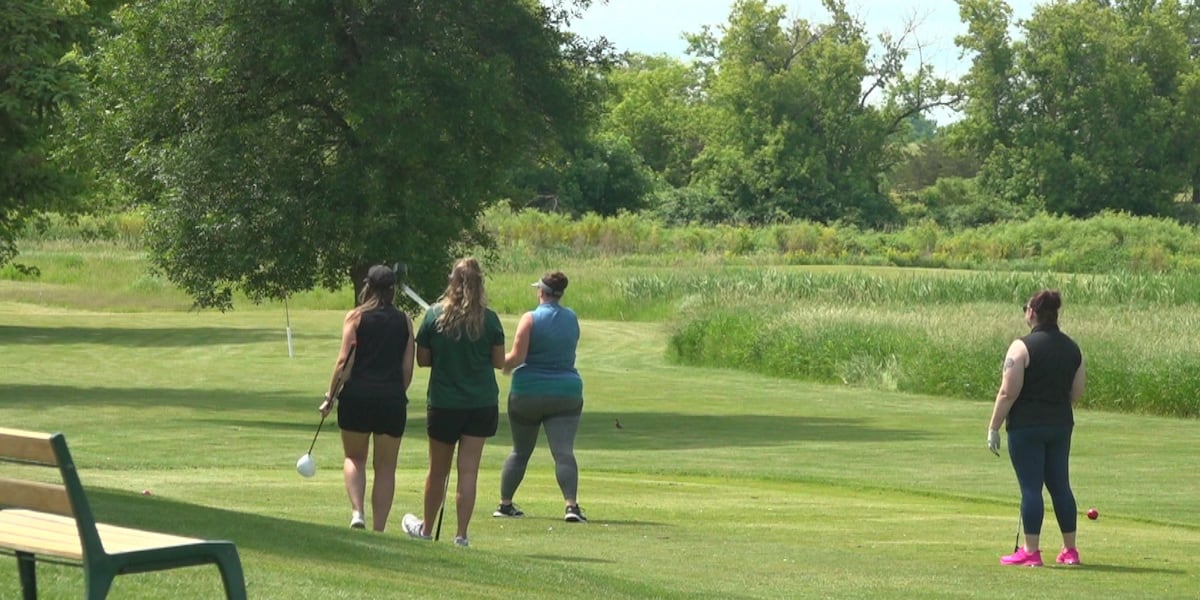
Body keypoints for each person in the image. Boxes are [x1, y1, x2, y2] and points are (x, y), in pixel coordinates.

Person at [402, 257, 505, 547]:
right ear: (480, 283)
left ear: (452, 281)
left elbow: (423, 360)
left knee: (437, 470)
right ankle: (461, 535)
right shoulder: (490, 319)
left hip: (445, 403)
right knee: (468, 470)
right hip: (480, 403)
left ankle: (426, 530)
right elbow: (499, 362)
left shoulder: (435, 316)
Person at [987, 289, 1086, 566]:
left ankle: (1031, 551)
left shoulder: (1021, 347)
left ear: (1032, 313)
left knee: (1031, 488)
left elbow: (1008, 392)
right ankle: (1070, 550)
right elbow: (1076, 393)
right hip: (1060, 425)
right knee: (1060, 486)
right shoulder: (1072, 348)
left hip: (1026, 427)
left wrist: (993, 426)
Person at [319, 264, 415, 532]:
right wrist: (396, 392)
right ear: (393, 290)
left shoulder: (355, 318)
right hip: (391, 399)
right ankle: (379, 528)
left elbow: (343, 363)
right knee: (385, 468)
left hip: (357, 398)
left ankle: (358, 512)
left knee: (354, 458)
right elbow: (407, 370)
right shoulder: (405, 321)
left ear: (368, 287)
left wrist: (331, 397)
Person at [494, 271, 587, 523]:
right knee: (564, 452)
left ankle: (505, 504)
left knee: (520, 451)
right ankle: (571, 506)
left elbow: (517, 357)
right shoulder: (572, 318)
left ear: (541, 292)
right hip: (566, 392)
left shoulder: (530, 318)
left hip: (528, 392)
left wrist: (502, 364)